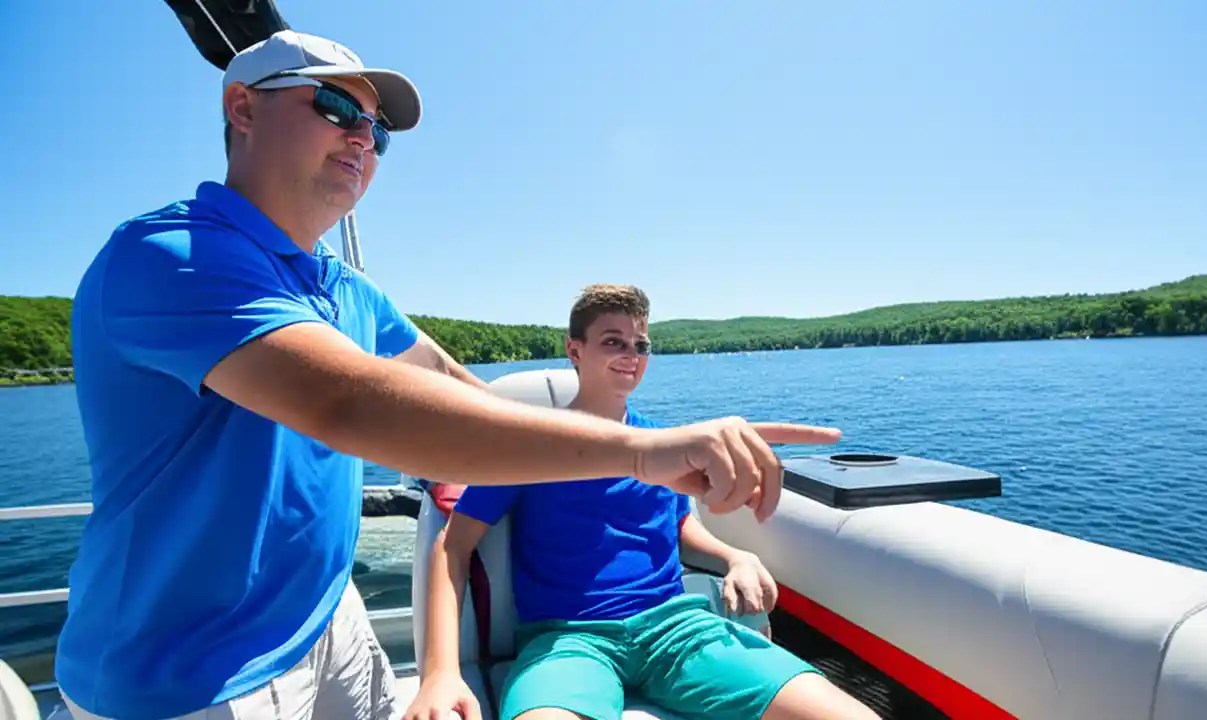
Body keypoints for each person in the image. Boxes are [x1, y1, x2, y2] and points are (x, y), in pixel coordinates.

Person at [56, 30, 840, 720]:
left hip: (327, 621)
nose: (362, 135)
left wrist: (623, 443)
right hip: (186, 677)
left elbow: (452, 384)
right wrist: (642, 453)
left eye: (377, 129)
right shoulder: (173, 258)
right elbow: (350, 402)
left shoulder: (345, 289)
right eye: (334, 107)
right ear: (242, 109)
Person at [405, 285, 879, 720]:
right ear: (575, 350)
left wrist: (737, 557)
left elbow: (679, 531)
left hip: (677, 629)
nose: (632, 354)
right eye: (613, 341)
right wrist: (440, 672)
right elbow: (453, 546)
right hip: (567, 642)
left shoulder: (664, 443)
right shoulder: (529, 448)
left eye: (641, 344)